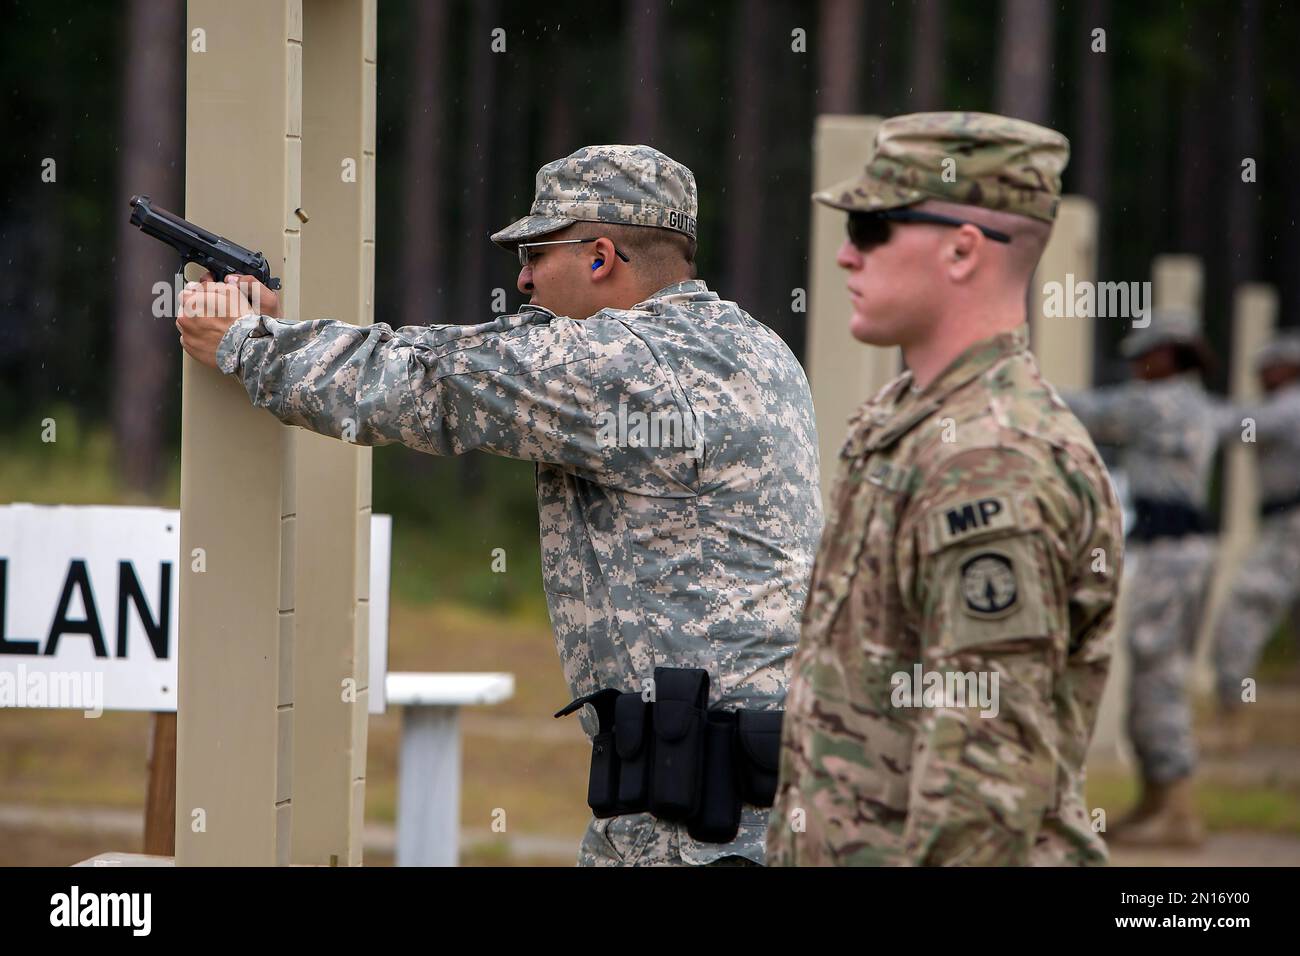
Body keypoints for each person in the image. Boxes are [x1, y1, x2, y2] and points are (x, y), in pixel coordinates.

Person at [175, 145, 823, 866]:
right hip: (722, 794)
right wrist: (278, 332)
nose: (521, 278)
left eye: (537, 253)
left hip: (697, 821)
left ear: (600, 256)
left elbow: (432, 384)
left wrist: (245, 344)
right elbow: (481, 358)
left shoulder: (627, 364)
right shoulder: (751, 347)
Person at [765, 112, 1123, 867]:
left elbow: (980, 792)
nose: (844, 256)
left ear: (963, 250)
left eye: (870, 227)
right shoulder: (907, 421)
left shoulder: (993, 461)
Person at [1065, 307, 1228, 847]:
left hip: (1167, 550)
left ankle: (1176, 809)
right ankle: (1159, 800)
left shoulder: (1155, 403)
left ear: (1166, 355)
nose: (1136, 366)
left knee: (1157, 671)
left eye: (1143, 356)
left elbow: (1082, 410)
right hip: (1183, 548)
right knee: (1159, 667)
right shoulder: (1197, 403)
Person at [1207, 330, 1300, 753]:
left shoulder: (1290, 407)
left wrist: (1183, 412)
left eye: (1268, 368)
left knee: (1242, 616)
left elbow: (1237, 429)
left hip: (1290, 527)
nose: (1261, 376)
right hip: (1282, 524)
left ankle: (1233, 717)